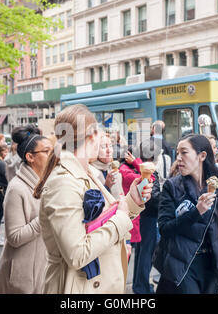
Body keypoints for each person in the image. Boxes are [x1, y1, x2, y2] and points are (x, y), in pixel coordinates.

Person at [34, 104, 152, 294]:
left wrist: (132, 201)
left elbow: (101, 220)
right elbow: (77, 253)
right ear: (91, 136)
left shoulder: (84, 173)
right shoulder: (63, 183)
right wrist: (121, 220)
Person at [156, 134, 218, 294]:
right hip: (183, 265)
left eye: (184, 152)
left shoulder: (217, 185)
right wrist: (196, 212)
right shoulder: (172, 186)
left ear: (202, 156)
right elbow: (165, 229)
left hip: (211, 264)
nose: (178, 158)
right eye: (177, 153)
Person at [0, 125, 55, 294]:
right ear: (30, 157)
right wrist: (45, 215)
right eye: (46, 151)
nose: (53, 156)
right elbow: (14, 237)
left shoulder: (48, 182)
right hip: (22, 276)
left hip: (44, 269)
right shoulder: (17, 188)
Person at [132, 138, 161, 294]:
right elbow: (152, 197)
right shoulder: (149, 172)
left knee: (140, 253)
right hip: (149, 217)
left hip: (139, 217)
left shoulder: (136, 168)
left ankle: (139, 284)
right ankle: (142, 287)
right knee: (146, 254)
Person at [90, 132, 123, 200]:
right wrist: (107, 186)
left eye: (110, 146)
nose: (109, 151)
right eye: (104, 147)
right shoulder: (90, 172)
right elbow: (93, 205)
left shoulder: (112, 168)